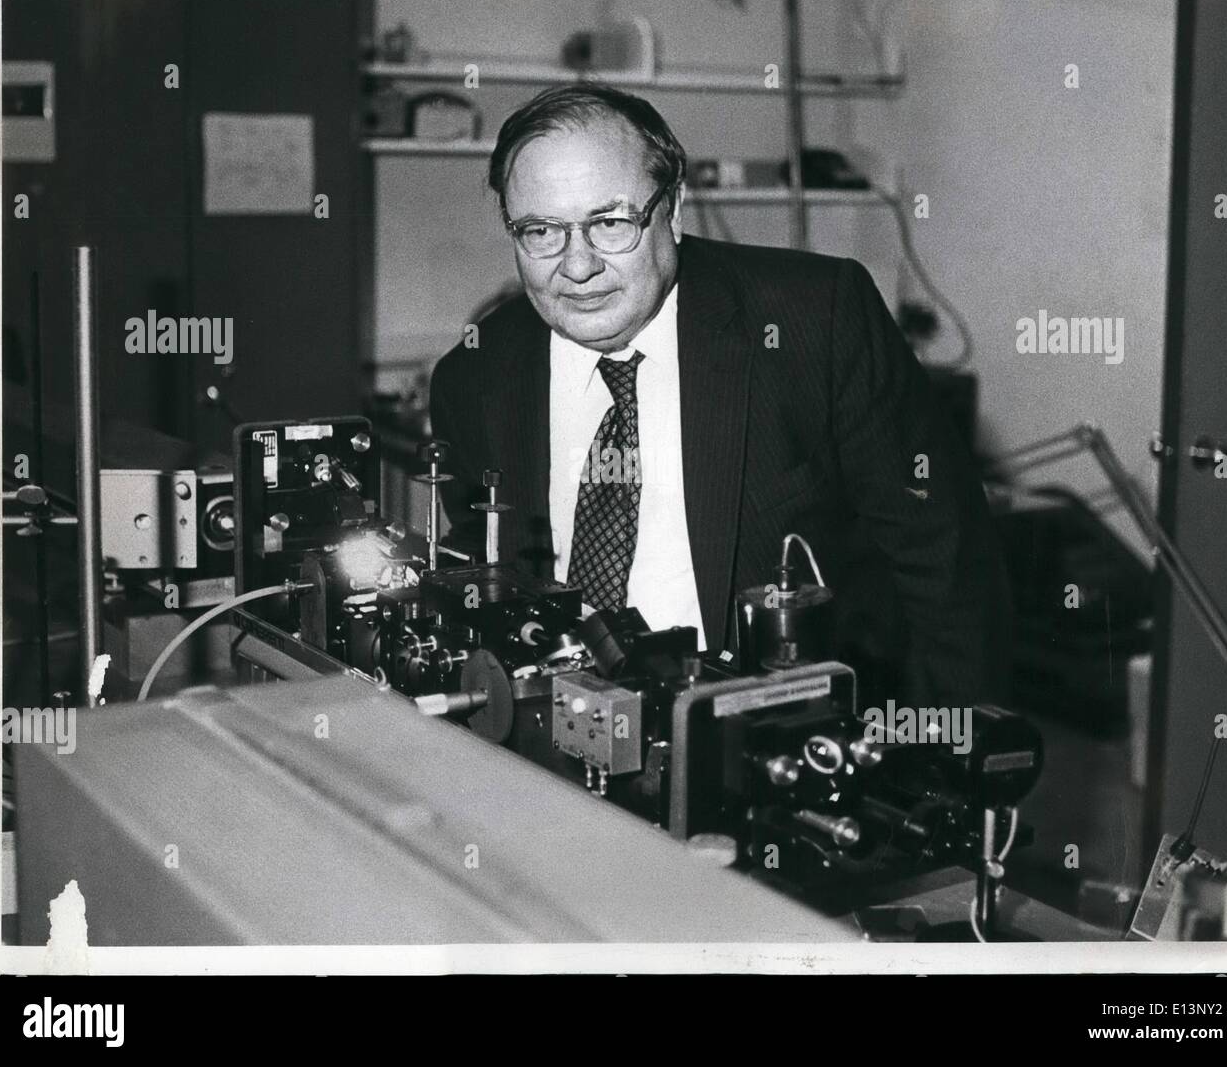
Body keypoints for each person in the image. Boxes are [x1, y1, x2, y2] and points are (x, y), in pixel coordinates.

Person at [430, 82, 1010, 707]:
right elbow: (484, 581)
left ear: (673, 209)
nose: (577, 266)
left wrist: (942, 758)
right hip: (556, 738)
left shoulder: (816, 321)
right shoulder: (476, 373)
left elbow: (946, 560)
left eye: (610, 223)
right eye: (541, 231)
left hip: (775, 739)